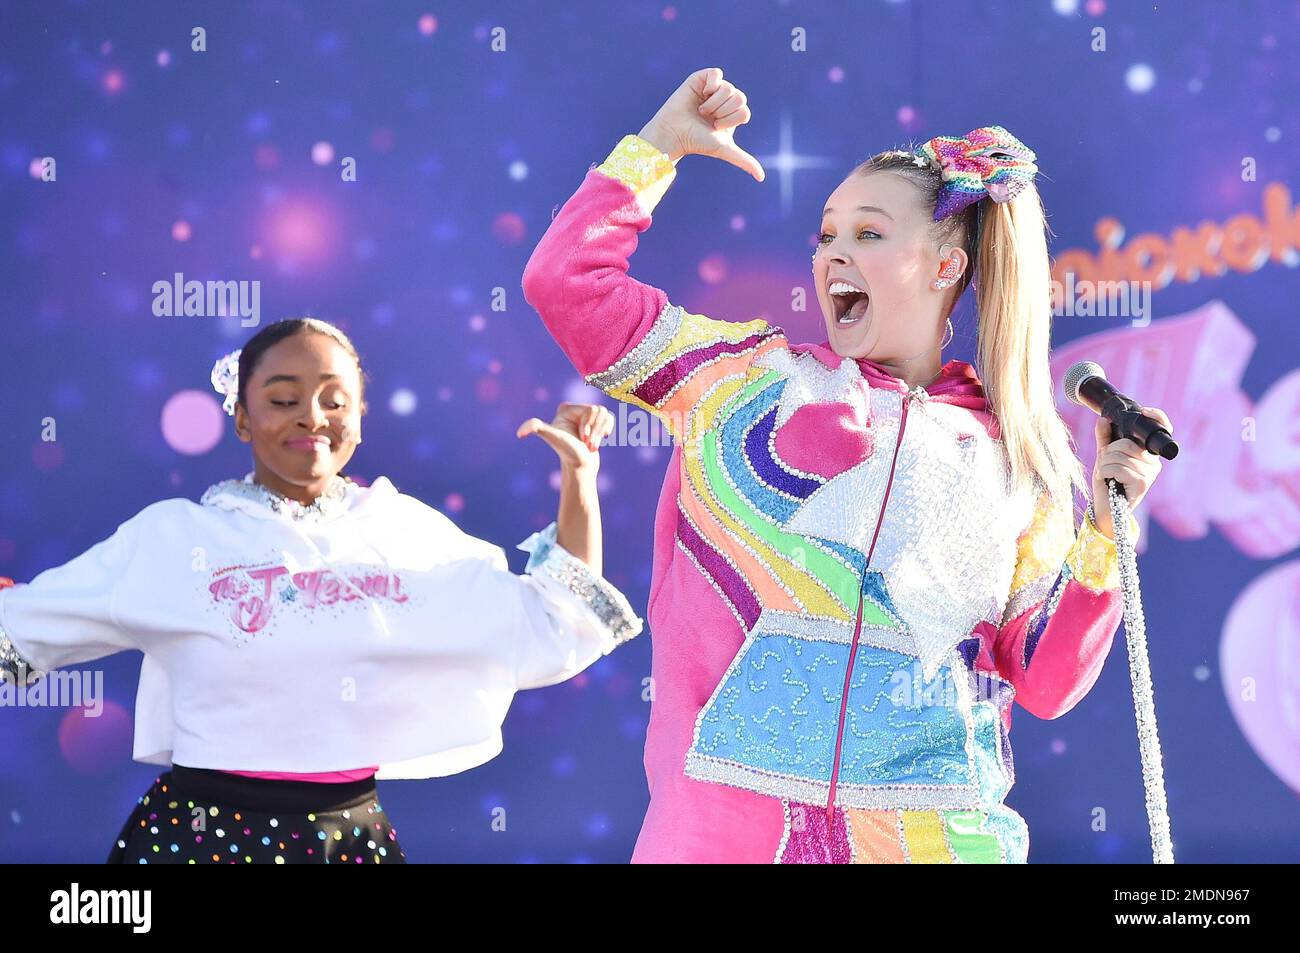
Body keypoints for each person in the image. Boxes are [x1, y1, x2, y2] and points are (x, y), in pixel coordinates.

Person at [522, 67, 1173, 863]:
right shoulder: (738, 383)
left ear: (946, 267)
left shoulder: (1022, 459)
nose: (833, 253)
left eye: (867, 233)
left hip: (941, 838)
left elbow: (1045, 678)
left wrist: (1105, 528)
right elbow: (566, 282)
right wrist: (660, 145)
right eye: (826, 235)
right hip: (725, 839)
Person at [0, 317, 642, 863]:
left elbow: (553, 626)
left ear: (361, 414)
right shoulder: (171, 539)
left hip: (348, 840)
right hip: (197, 839)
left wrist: (578, 482)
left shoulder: (404, 532)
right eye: (282, 400)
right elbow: (23, 629)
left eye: (335, 400)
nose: (312, 417)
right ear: (243, 420)